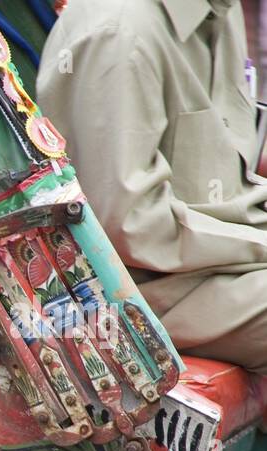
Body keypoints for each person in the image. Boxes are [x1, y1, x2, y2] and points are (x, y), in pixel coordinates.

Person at [38, 0, 267, 372]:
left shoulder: (220, 11)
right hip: (133, 295)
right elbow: (128, 225)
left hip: (216, 269)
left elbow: (231, 175)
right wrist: (259, 243)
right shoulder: (122, 29)